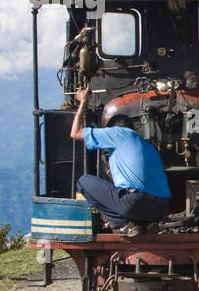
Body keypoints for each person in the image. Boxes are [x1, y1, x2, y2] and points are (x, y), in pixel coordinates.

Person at [70, 86, 171, 236]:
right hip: (162, 207)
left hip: (135, 202)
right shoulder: (146, 145)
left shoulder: (116, 133)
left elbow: (75, 132)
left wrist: (83, 101)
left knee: (83, 182)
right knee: (132, 198)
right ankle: (145, 224)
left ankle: (123, 225)